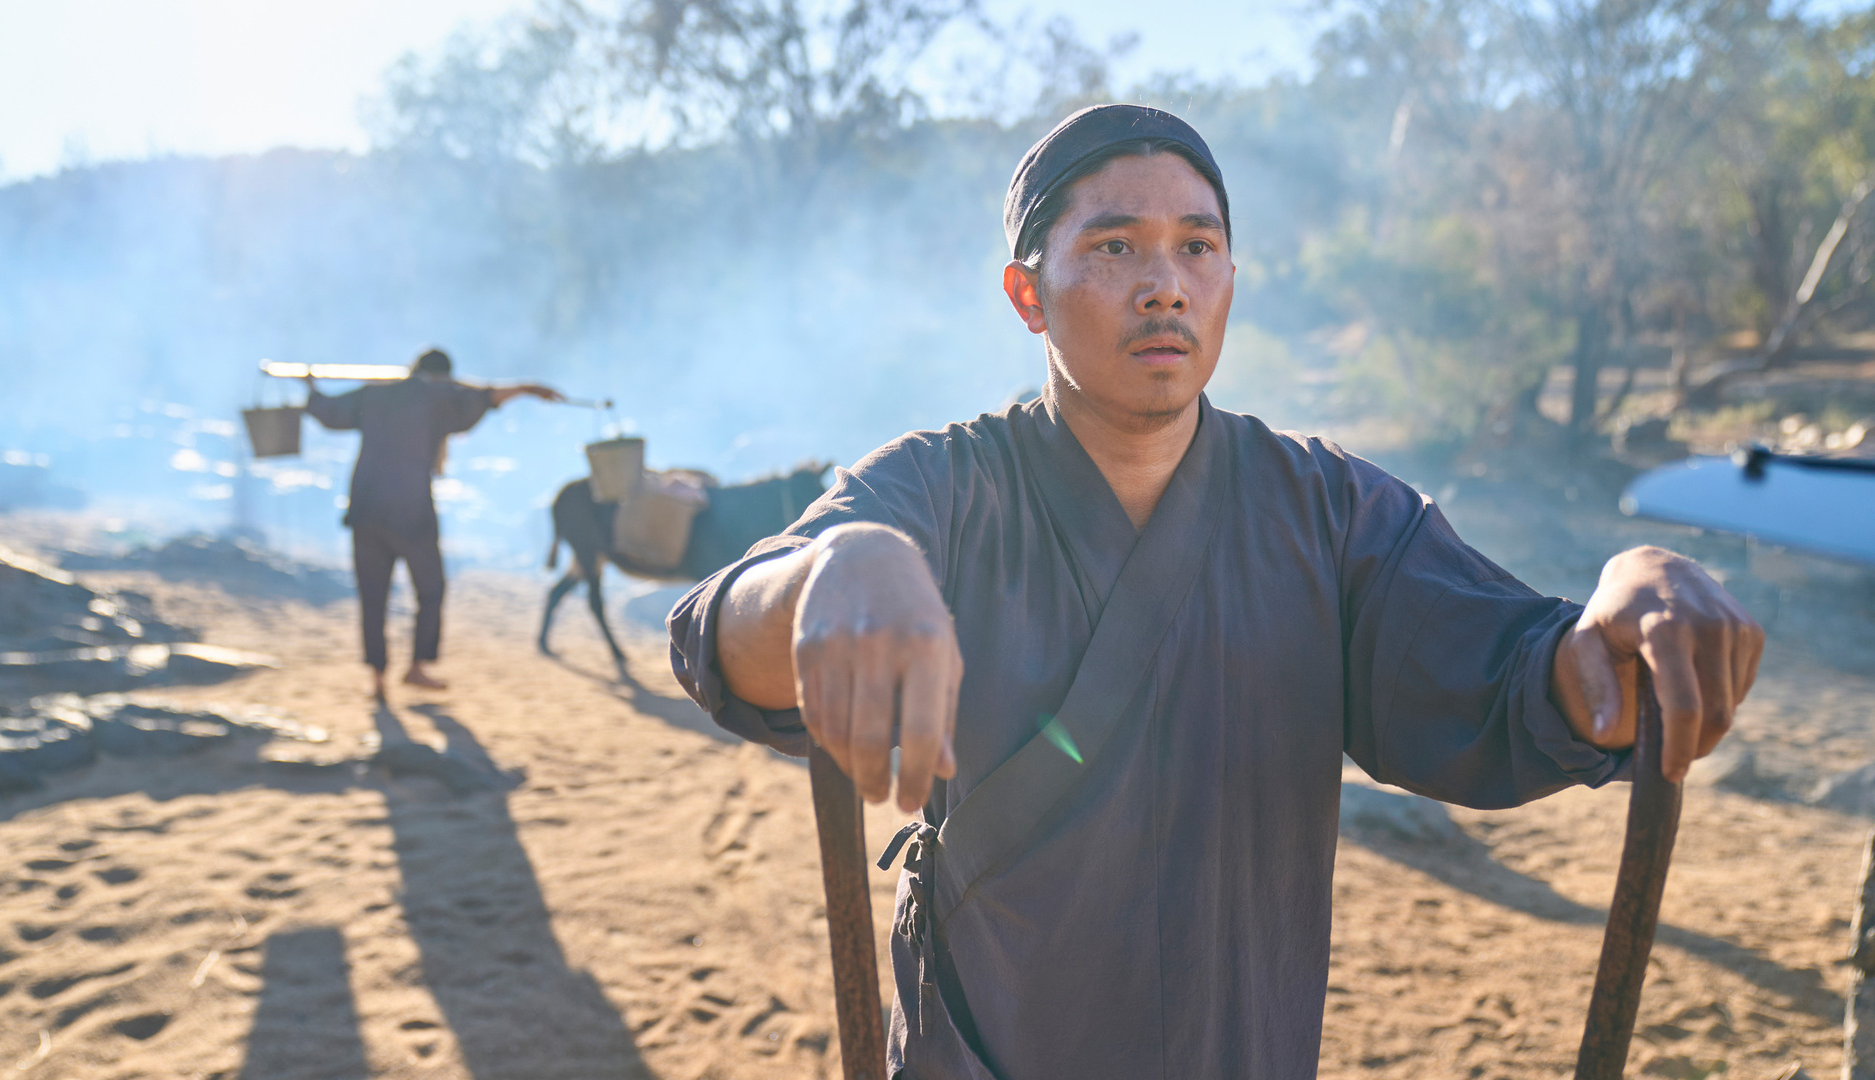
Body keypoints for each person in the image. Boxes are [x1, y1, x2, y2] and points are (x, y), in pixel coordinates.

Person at [667, 105, 1764, 1078]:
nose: (1165, 282)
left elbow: (1515, 684)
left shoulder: (1329, 513)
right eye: (1113, 246)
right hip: (982, 1050)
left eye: (1199, 246)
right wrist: (833, 569)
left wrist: (1621, 615)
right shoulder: (946, 488)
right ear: (1027, 296)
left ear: (1230, 281)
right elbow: (725, 638)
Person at [306, 348, 561, 696]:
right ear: (444, 376)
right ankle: (416, 666)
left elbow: (329, 413)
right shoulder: (439, 396)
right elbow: (485, 397)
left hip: (366, 509)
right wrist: (527, 389)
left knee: (373, 596)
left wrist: (310, 388)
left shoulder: (376, 393)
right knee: (431, 590)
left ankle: (378, 678)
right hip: (411, 513)